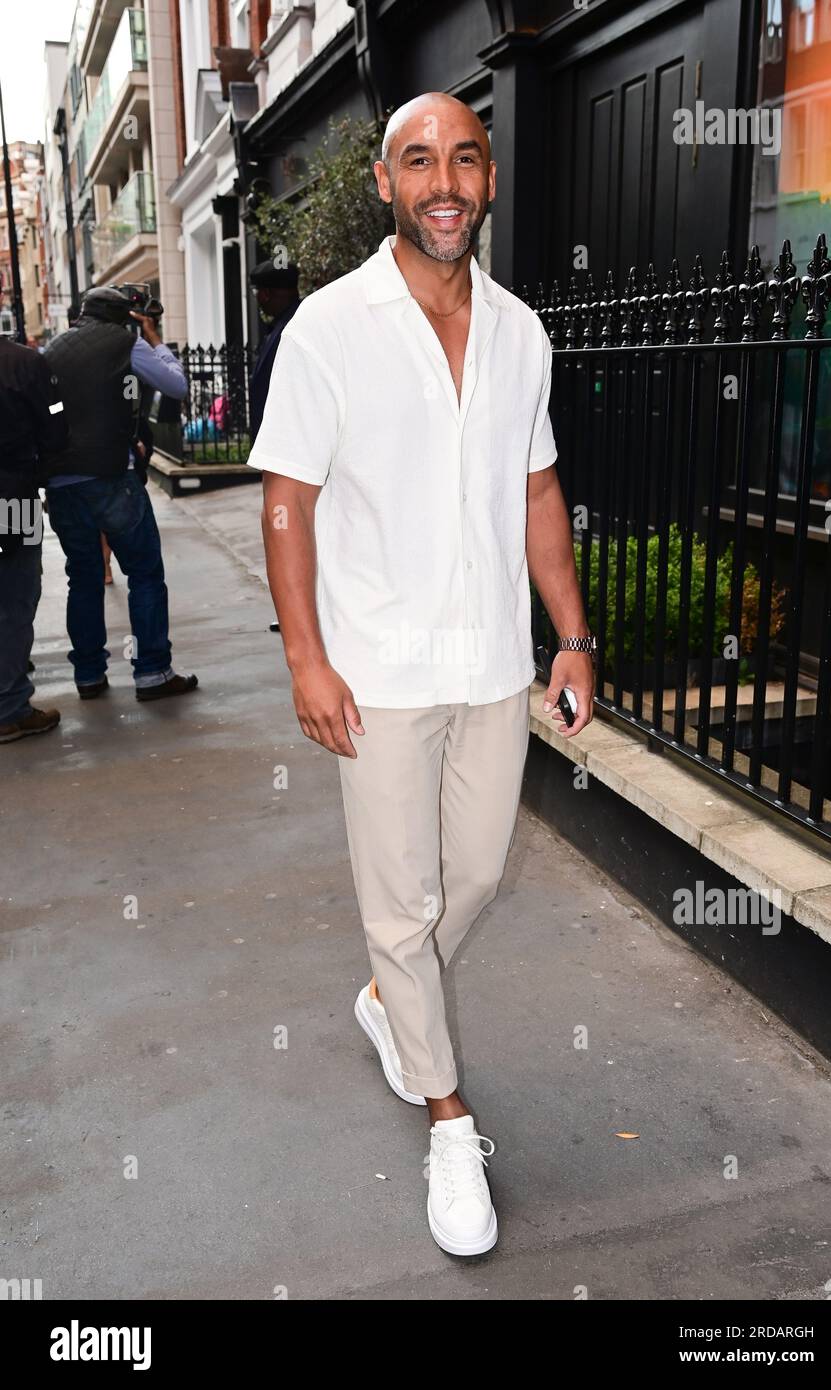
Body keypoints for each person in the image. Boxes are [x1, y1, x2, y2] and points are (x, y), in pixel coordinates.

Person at [248, 92, 596, 1256]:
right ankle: (451, 1117)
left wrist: (572, 634)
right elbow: (288, 500)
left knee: (477, 877)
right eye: (417, 161)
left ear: (488, 178)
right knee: (403, 904)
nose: (442, 181)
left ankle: (390, 999)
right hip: (381, 671)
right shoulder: (331, 329)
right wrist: (306, 655)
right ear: (388, 185)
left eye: (463, 158)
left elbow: (539, 489)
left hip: (493, 662)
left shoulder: (520, 333)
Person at [42, 287, 198, 703]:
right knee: (144, 573)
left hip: (61, 483)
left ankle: (89, 675)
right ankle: (151, 673)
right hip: (112, 476)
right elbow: (176, 385)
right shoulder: (126, 343)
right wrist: (155, 338)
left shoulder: (50, 351)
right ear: (124, 316)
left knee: (84, 577)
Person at [0, 336, 67, 743]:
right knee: (15, 600)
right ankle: (9, 707)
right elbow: (56, 429)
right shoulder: (24, 363)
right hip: (14, 495)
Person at [248, 259, 300, 444]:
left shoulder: (292, 327)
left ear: (266, 294)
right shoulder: (286, 323)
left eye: (257, 293)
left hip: (288, 444)